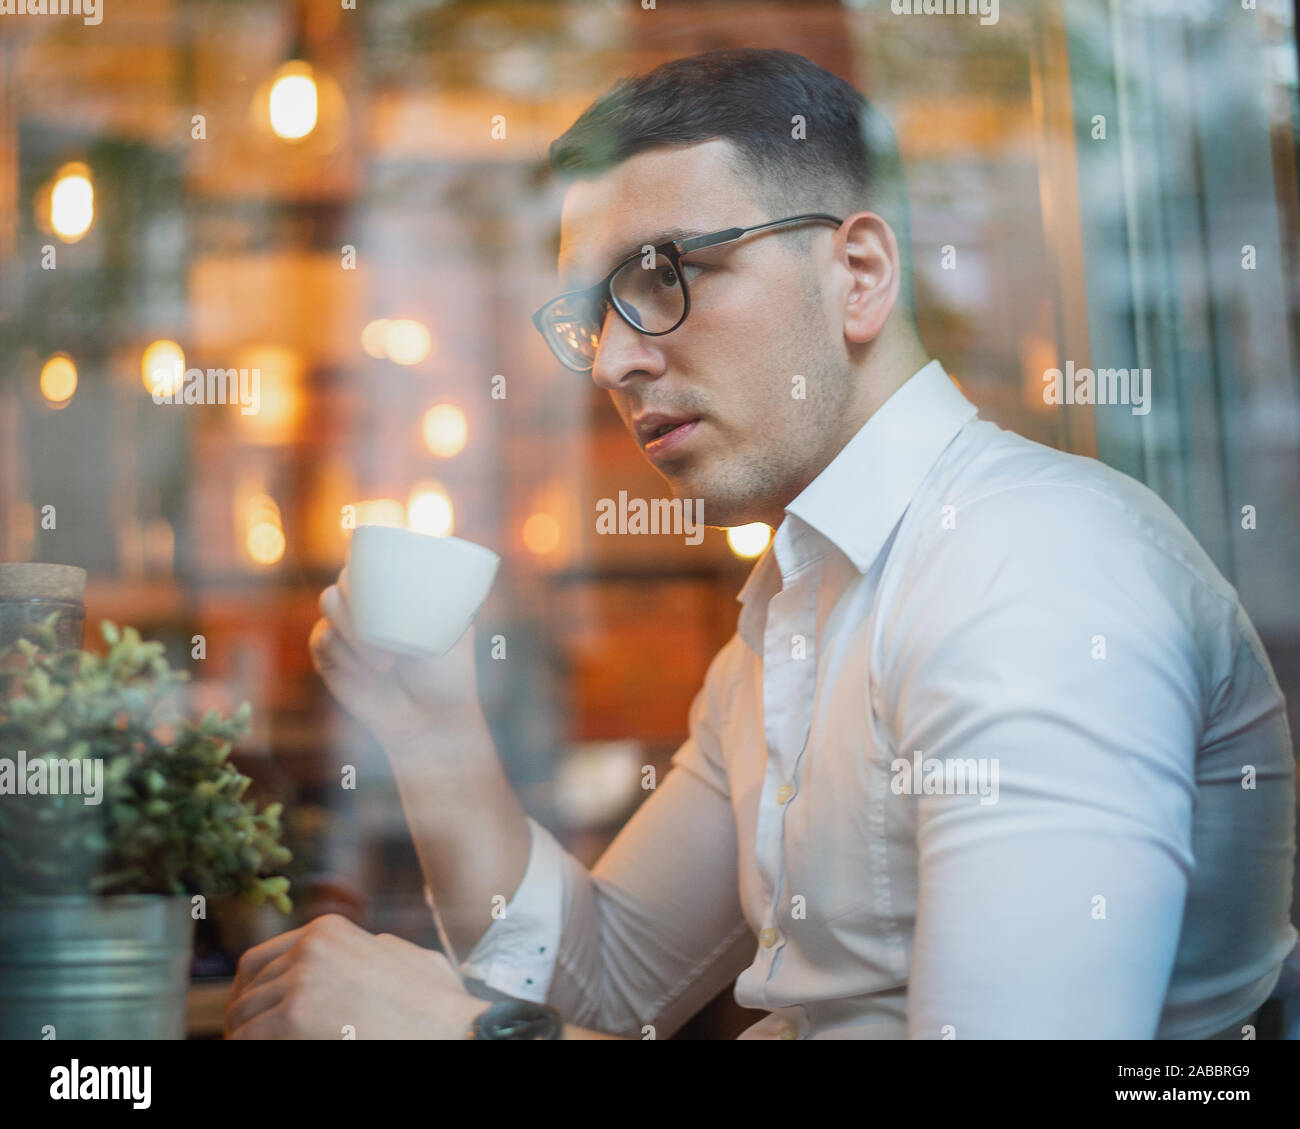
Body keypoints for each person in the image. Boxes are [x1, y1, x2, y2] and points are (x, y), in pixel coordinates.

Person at [226, 47, 1296, 1040]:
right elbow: (607, 977)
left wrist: (461, 1034)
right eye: (589, 313)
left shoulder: (1029, 570)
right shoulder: (794, 604)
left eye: (660, 273)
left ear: (860, 273)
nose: (609, 362)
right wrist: (432, 733)